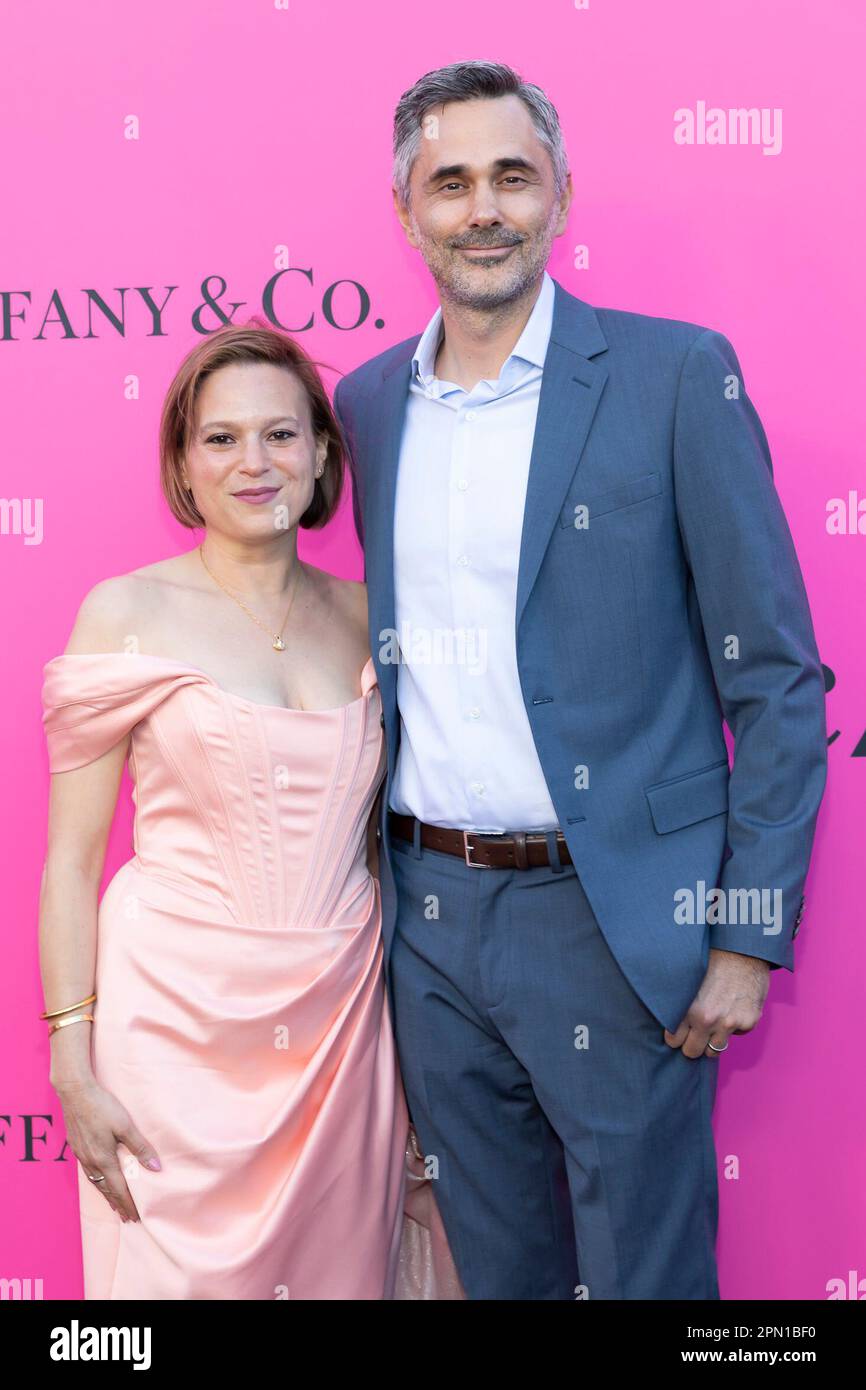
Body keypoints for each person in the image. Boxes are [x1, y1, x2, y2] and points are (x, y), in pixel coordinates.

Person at [332, 59, 828, 1299]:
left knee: (649, 1280)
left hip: (616, 921)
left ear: (560, 195)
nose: (482, 207)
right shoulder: (369, 405)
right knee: (498, 1274)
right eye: (450, 182)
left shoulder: (673, 378)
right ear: (405, 212)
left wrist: (748, 935)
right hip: (431, 924)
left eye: (513, 175)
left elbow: (772, 677)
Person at [39, 322, 461, 1299]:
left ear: (322, 454)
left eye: (280, 434)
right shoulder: (124, 613)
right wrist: (72, 1055)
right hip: (173, 1027)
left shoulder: (371, 615)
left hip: (341, 1024)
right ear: (182, 468)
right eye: (219, 439)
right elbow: (70, 860)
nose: (253, 462)